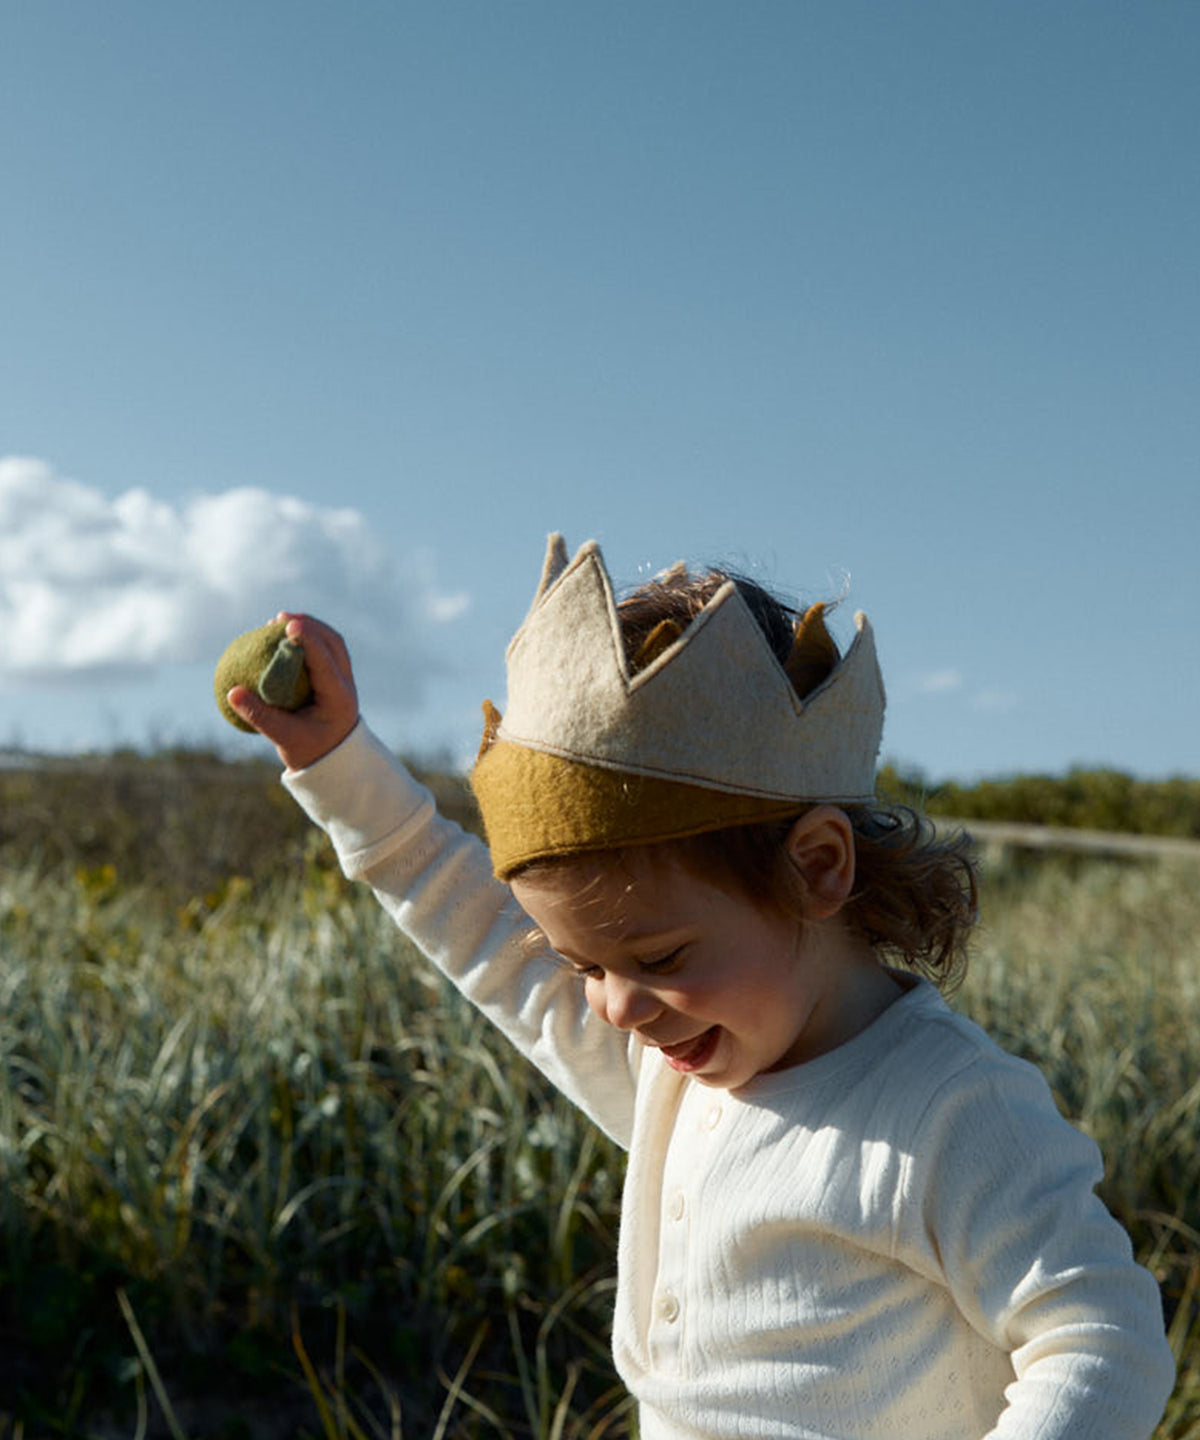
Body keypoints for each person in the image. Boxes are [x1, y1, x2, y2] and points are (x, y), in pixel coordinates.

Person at [228, 535, 1175, 1439]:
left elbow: (1101, 1338)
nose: (617, 1008)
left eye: (662, 958)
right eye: (584, 966)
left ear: (816, 869)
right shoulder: (677, 1072)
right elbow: (482, 933)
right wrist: (338, 762)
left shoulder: (949, 1110)